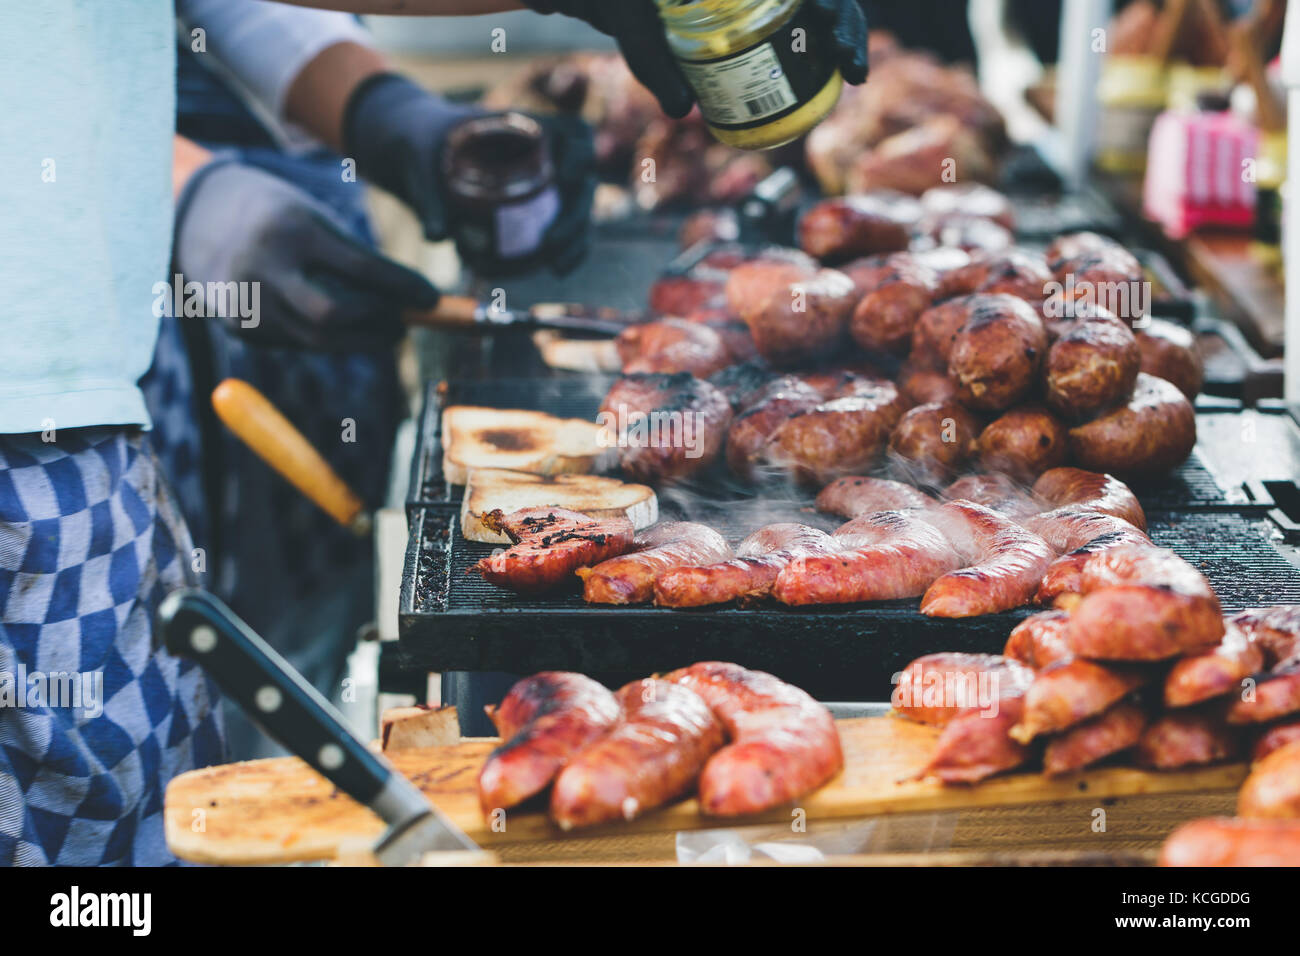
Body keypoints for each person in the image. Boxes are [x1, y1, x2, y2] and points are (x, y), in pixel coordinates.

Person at [148, 0, 594, 759]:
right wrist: (184, 192)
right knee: (164, 672)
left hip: (290, 220)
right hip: (103, 307)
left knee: (303, 663)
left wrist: (386, 116)